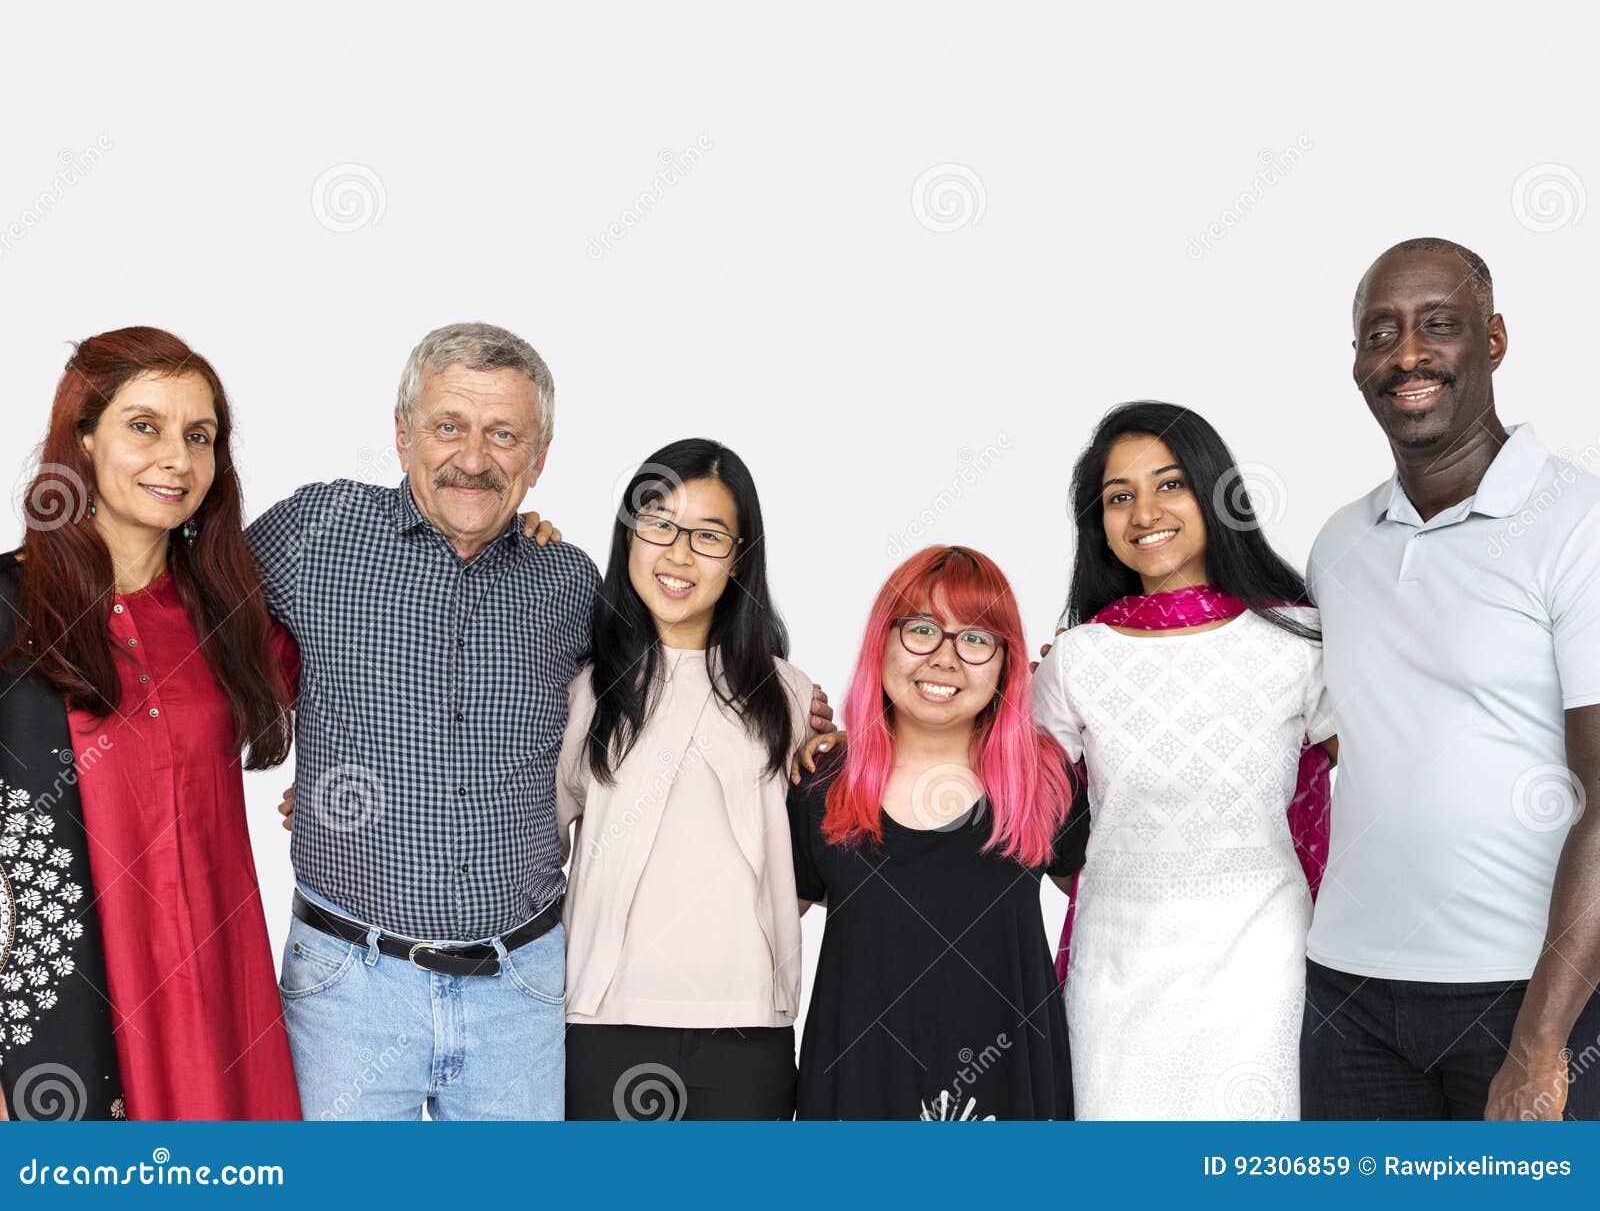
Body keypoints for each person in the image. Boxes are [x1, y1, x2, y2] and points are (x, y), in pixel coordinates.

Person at [252, 324, 833, 1121]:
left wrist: (804, 718)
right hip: (350, 981)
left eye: (504, 434)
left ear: (540, 457)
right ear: (401, 431)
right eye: (448, 425)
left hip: (520, 992)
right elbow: (190, 607)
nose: (474, 456)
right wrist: (290, 763)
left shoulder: (566, 582)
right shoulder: (315, 533)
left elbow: (659, 709)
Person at [1301, 238, 1600, 1122]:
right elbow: (1310, 730)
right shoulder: (1340, 542)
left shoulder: (1576, 522)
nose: (1407, 355)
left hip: (1527, 997)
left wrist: (1541, 1041)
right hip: (1347, 998)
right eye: (1379, 333)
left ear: (1495, 339)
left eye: (1439, 325)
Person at [0, 327, 299, 1121]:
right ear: (84, 436)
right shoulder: (8, 609)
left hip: (218, 1007)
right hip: (60, 1015)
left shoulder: (232, 617)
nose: (177, 457)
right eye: (145, 425)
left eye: (199, 436)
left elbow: (370, 702)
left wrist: (517, 534)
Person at [1030, 402, 1335, 1120]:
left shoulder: (1299, 640)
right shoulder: (1076, 659)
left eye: (1169, 485)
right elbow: (1027, 814)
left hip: (1263, 979)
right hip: (1116, 977)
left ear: (1212, 491)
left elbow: (1381, 784)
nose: (1144, 512)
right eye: (1119, 496)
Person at [558, 441, 813, 1120]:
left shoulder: (787, 695)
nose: (678, 553)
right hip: (604, 1023)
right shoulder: (585, 689)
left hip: (748, 1028)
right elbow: (534, 851)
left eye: (707, 535)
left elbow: (813, 861)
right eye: (660, 523)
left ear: (739, 557)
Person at [789, 546, 1083, 1120]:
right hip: (857, 1091)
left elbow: (1116, 907)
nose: (945, 659)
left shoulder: (1045, 779)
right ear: (882, 641)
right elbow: (758, 931)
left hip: (1012, 1090)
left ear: (1006, 661)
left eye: (975, 638)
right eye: (922, 629)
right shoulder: (821, 785)